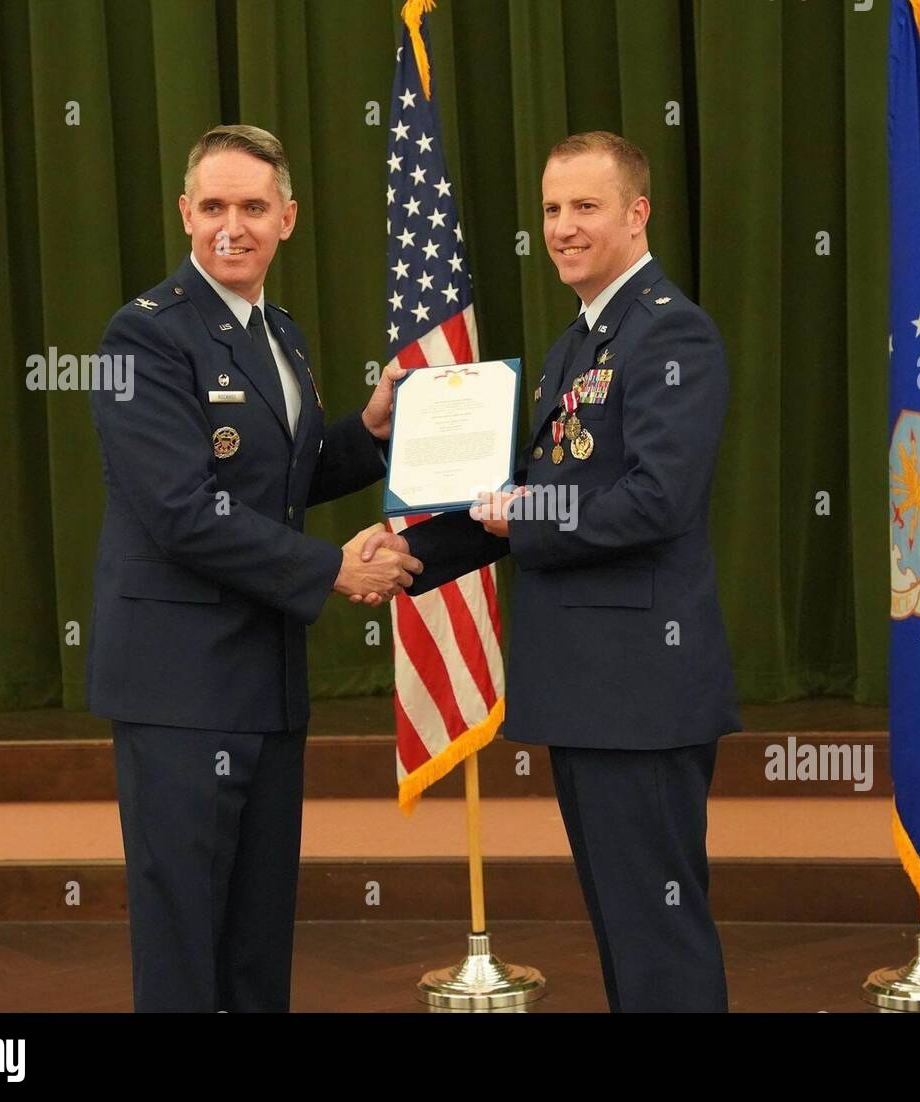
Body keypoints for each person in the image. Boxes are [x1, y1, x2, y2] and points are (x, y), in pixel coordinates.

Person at [362, 131, 739, 1012]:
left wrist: (526, 512)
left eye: (585, 206)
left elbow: (655, 502)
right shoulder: (584, 338)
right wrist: (410, 557)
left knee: (658, 933)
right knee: (623, 928)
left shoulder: (669, 330)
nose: (563, 228)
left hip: (641, 692)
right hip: (592, 690)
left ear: (638, 214)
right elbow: (521, 494)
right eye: (551, 210)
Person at [87, 124, 422, 1012]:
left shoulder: (277, 331)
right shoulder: (142, 337)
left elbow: (281, 477)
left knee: (256, 939)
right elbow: (182, 511)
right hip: (181, 690)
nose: (229, 227)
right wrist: (331, 570)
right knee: (186, 941)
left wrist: (372, 430)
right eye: (212, 207)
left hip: (264, 682)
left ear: (288, 219)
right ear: (184, 213)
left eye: (251, 207)